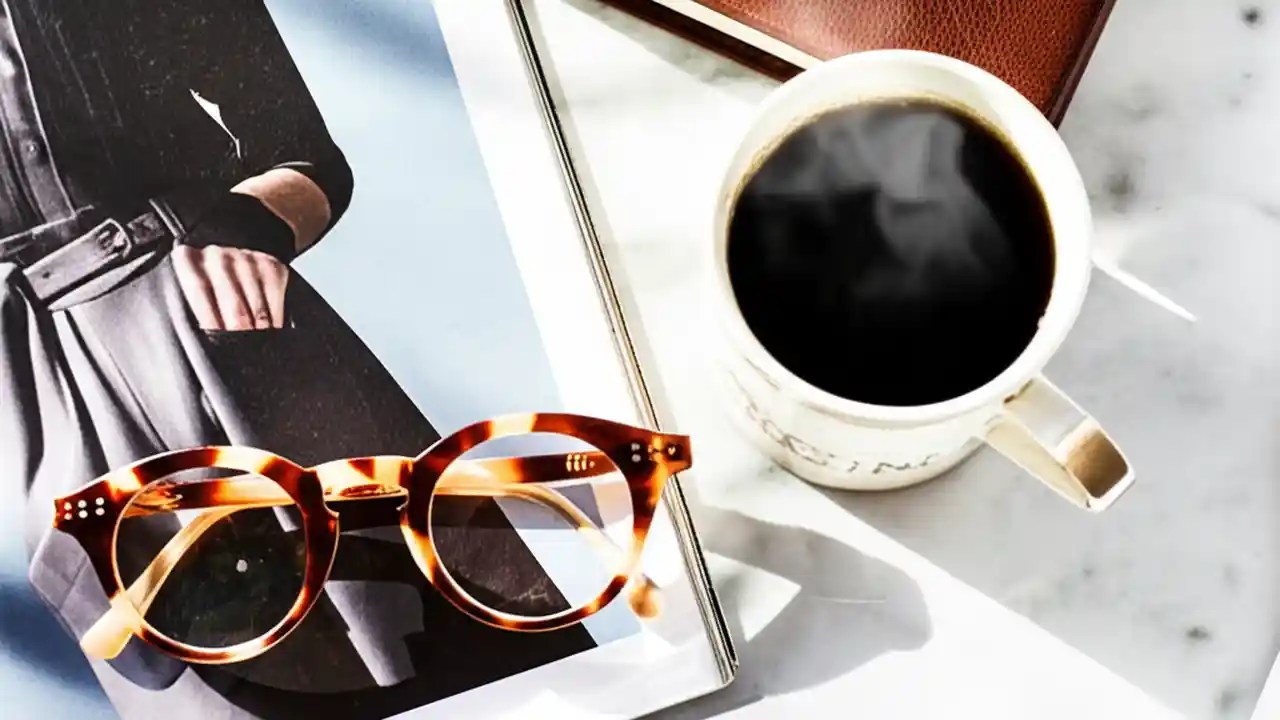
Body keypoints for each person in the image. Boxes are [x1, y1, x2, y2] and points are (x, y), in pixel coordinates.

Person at [0, 1, 594, 717]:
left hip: (227, 327)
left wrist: (244, 231)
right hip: (40, 398)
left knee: (478, 655)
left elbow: (303, 152)